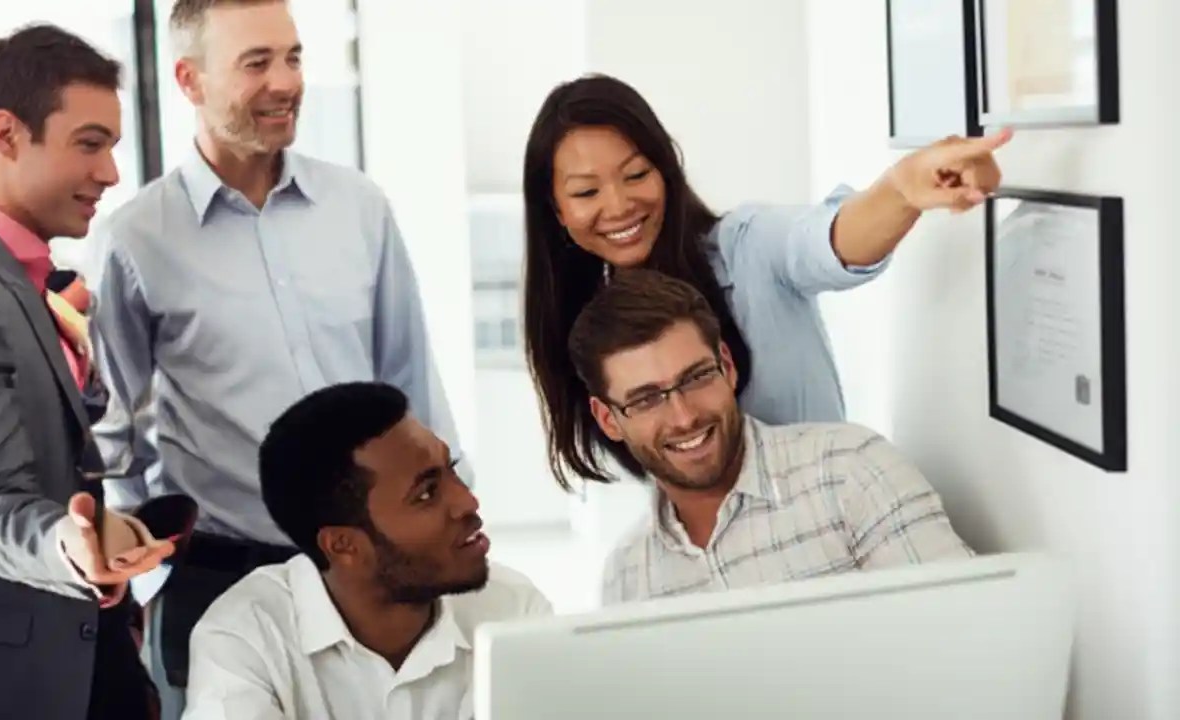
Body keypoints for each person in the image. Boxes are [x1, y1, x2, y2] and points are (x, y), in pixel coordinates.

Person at [87, 0, 466, 715]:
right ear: (190, 80)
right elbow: (112, 439)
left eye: (292, 57)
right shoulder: (135, 239)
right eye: (256, 62)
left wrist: (445, 525)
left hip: (374, 569)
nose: (285, 81)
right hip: (215, 581)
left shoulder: (359, 207)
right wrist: (151, 571)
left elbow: (411, 385)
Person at [522, 73, 1009, 490]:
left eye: (636, 174)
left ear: (666, 168)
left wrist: (902, 190)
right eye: (587, 191)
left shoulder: (747, 248)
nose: (619, 205)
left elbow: (825, 240)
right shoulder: (586, 325)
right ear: (556, 209)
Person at [0, 25, 179, 719]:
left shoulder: (26, 286)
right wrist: (71, 546)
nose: (111, 173)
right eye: (89, 143)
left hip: (81, 647)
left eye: (113, 146)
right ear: (6, 135)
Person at [564, 269, 972, 606]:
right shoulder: (627, 578)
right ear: (609, 419)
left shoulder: (852, 470)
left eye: (696, 377)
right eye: (647, 399)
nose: (684, 416)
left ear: (726, 365)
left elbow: (964, 627)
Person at [184, 382, 550, 718]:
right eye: (426, 494)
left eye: (451, 469)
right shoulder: (243, 638)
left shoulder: (514, 613)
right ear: (343, 546)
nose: (467, 502)